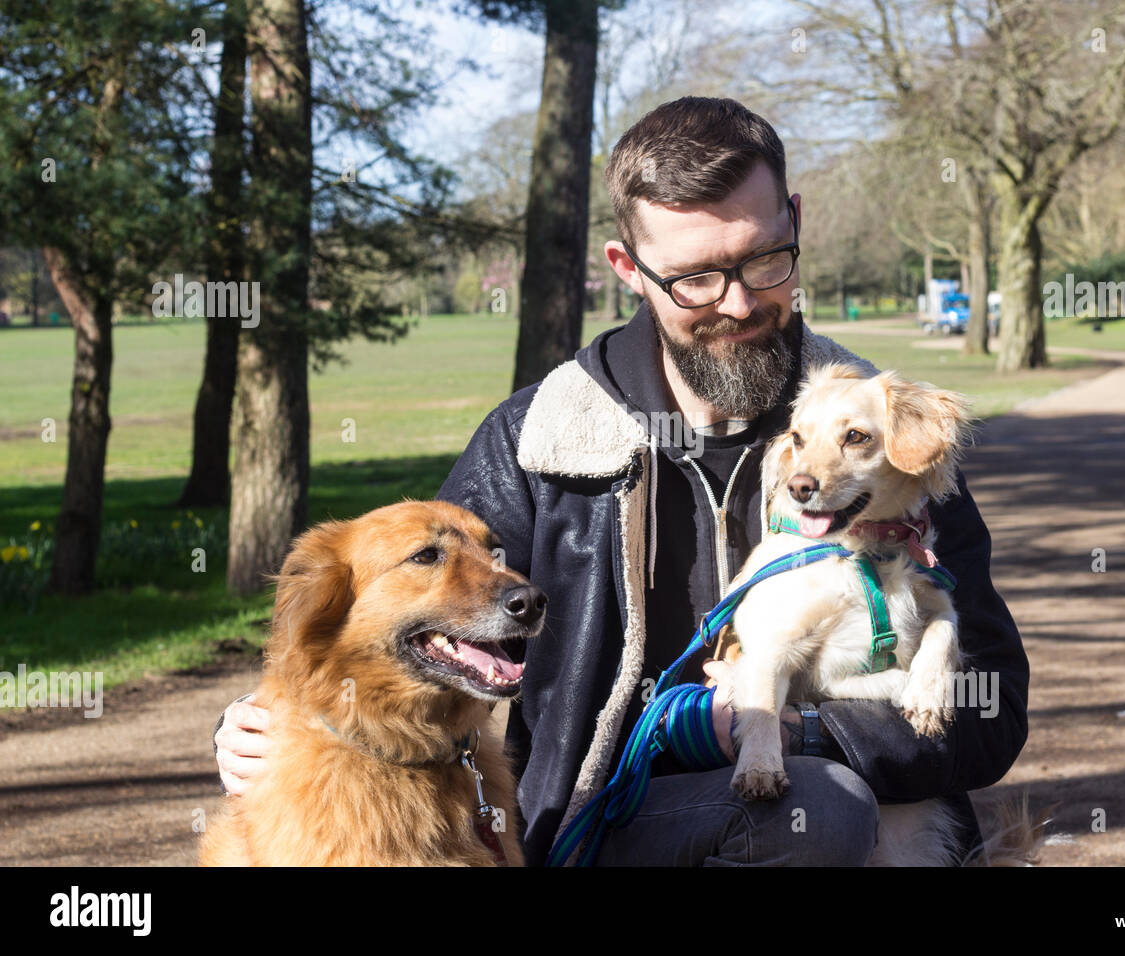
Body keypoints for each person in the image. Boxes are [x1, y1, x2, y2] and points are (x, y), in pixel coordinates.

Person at [212, 96, 1029, 866]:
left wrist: (778, 728)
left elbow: (991, 714)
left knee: (818, 802)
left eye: (764, 260)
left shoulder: (880, 438)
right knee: (820, 808)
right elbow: (409, 611)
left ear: (797, 222)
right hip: (604, 826)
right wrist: (272, 725)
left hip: (815, 797)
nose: (738, 302)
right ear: (628, 268)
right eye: (695, 279)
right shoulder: (540, 437)